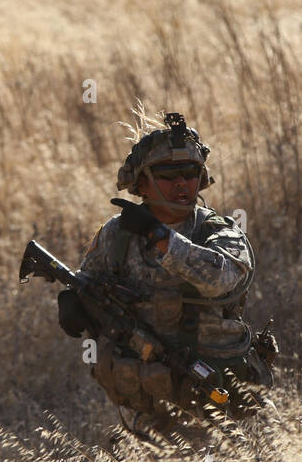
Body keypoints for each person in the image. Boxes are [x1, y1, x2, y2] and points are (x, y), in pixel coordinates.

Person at [62, 113, 275, 444]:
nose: (181, 183)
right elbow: (89, 282)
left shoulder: (219, 232)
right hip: (148, 406)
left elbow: (220, 278)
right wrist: (72, 301)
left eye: (190, 174)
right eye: (167, 175)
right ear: (142, 183)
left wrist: (159, 236)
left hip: (223, 399)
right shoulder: (116, 234)